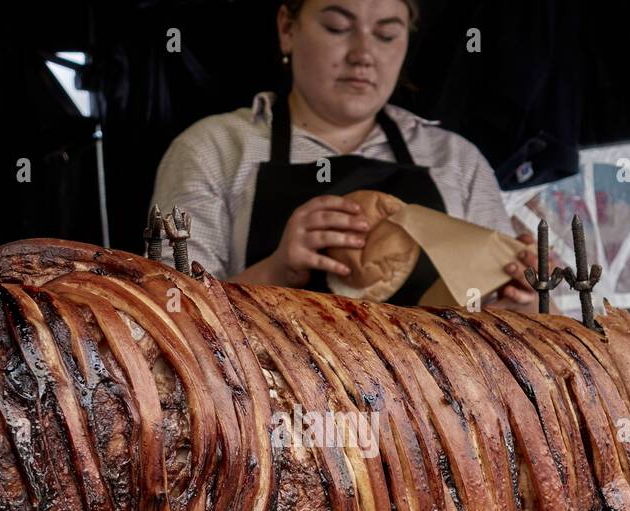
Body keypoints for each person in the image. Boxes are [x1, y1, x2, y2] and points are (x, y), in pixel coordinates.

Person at [150, 0, 539, 310]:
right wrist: (275, 270)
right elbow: (170, 315)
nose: (363, 55)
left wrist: (520, 297)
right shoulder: (213, 149)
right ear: (288, 28)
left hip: (430, 407)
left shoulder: (457, 161)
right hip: (272, 407)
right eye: (337, 28)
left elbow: (493, 328)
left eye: (386, 35)